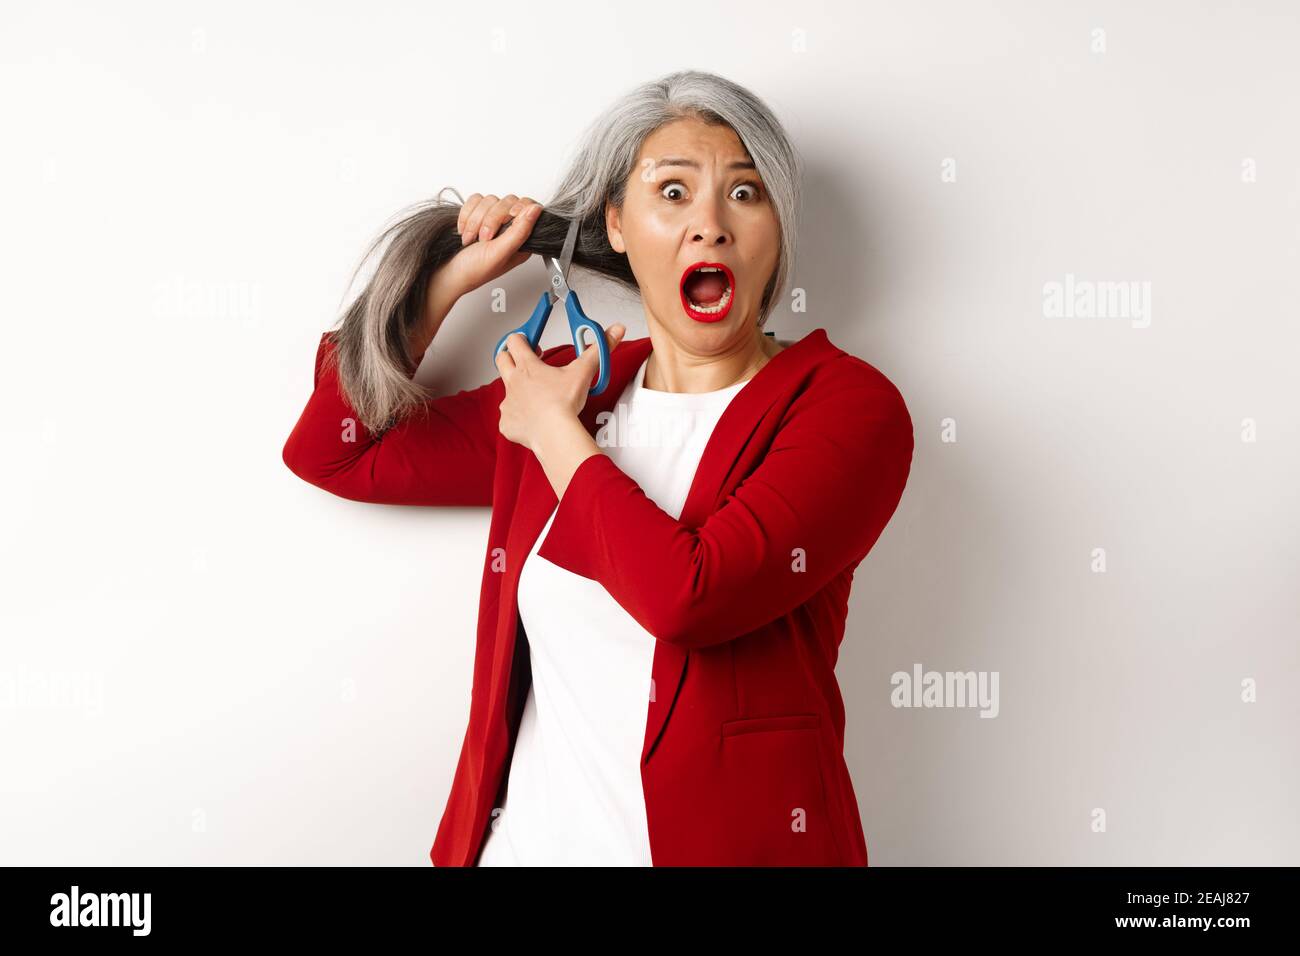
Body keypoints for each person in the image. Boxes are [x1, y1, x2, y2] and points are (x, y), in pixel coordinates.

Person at [281, 70, 914, 866]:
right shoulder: (578, 387)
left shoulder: (847, 408)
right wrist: (445, 281)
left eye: (745, 194)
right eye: (673, 192)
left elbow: (689, 598)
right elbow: (336, 448)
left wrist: (554, 434)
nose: (710, 225)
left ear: (777, 231)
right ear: (616, 224)